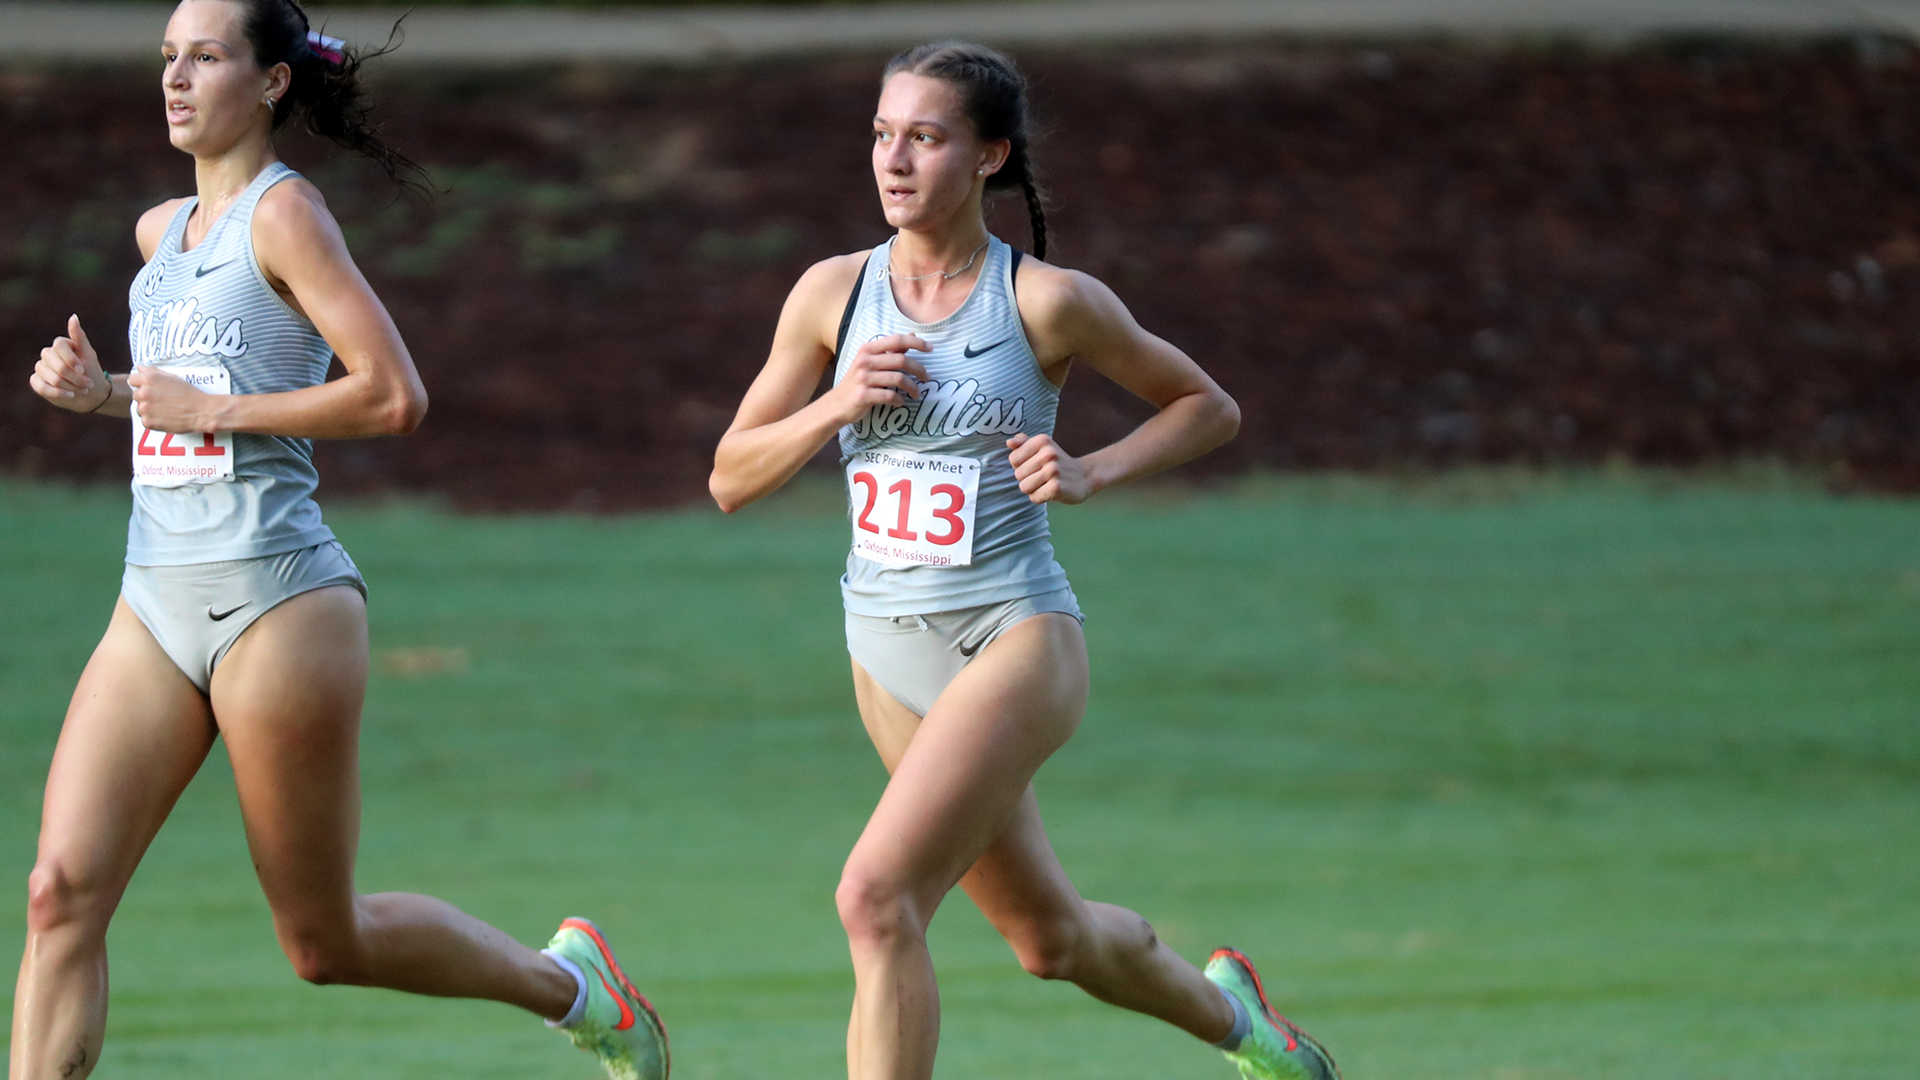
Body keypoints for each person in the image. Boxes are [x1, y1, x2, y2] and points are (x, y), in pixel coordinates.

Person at [16, 3, 665, 1078]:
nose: (176, 79)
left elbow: (391, 395)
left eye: (207, 58)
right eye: (167, 57)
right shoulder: (155, 235)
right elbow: (187, 395)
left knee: (323, 944)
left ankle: (575, 988)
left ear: (271, 84)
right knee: (58, 894)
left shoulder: (287, 216)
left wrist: (208, 414)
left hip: (276, 603)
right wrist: (106, 396)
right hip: (152, 598)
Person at [709, 40, 1339, 1080]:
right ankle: (1251, 1033)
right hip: (883, 651)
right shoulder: (831, 295)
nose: (893, 160)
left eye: (926, 136)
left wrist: (1092, 470)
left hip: (1013, 636)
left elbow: (1206, 408)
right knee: (1051, 944)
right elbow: (732, 477)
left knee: (875, 898)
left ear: (990, 155)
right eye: (881, 134)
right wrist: (835, 401)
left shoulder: (1045, 301)